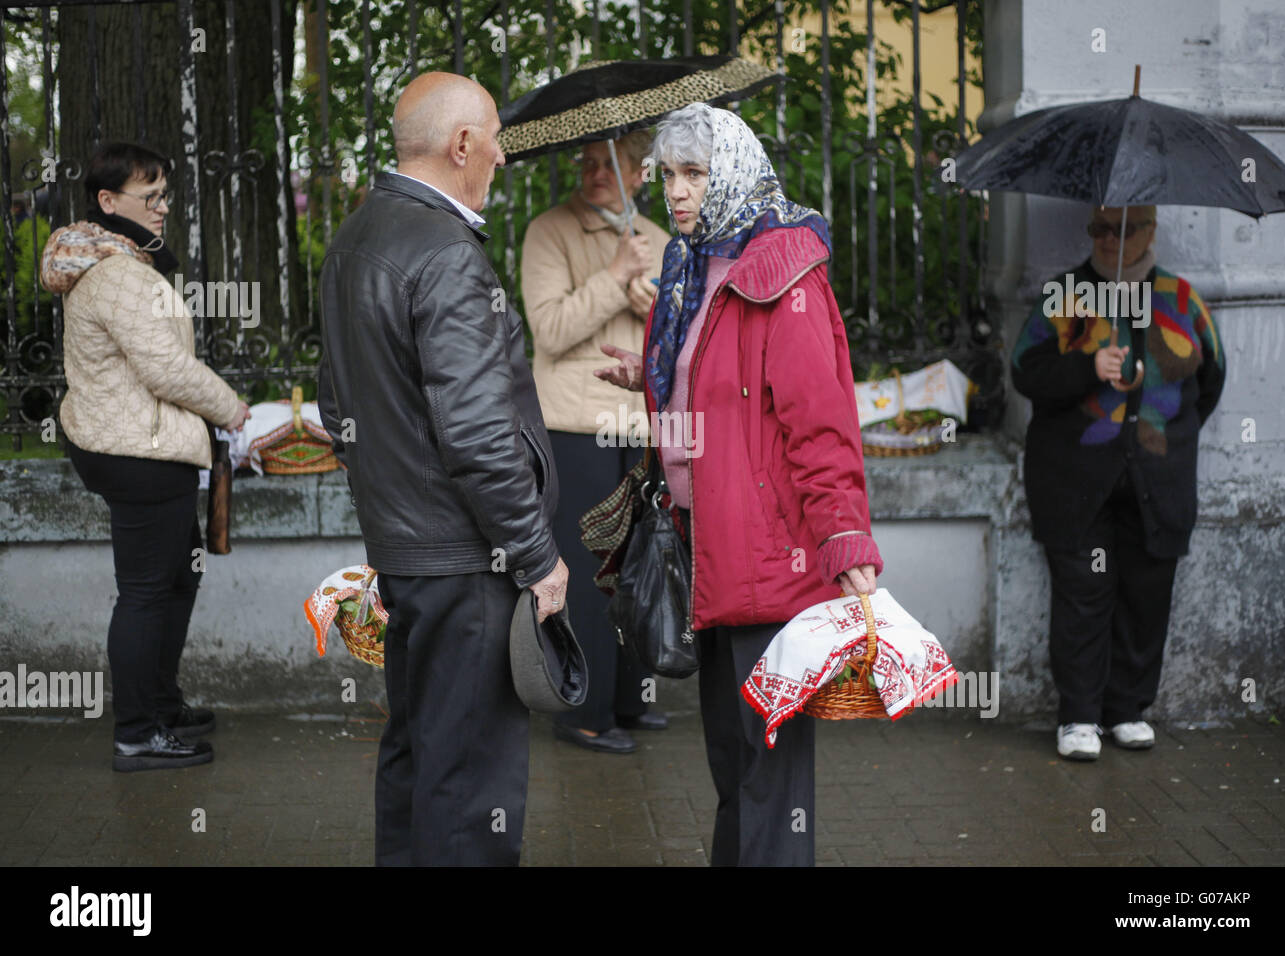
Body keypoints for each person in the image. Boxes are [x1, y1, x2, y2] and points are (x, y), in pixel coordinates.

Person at [596, 103, 884, 866]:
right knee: (733, 765)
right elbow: (718, 392)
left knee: (769, 778)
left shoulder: (782, 269)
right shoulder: (694, 263)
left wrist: (843, 534)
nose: (677, 193)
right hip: (711, 555)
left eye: (694, 173)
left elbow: (818, 421)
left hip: (774, 563)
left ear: (733, 172)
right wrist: (650, 381)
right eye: (667, 175)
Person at [316, 72, 568, 866]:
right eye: (494, 136)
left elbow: (336, 409)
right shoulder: (448, 254)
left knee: (418, 755)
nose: (500, 154)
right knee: (470, 786)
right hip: (467, 563)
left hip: (406, 554)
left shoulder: (357, 235)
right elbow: (479, 437)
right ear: (462, 144)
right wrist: (537, 556)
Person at [40, 141, 251, 772]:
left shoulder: (118, 261)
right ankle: (137, 733)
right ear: (108, 202)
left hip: (137, 443)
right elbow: (165, 369)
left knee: (176, 579)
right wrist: (231, 407)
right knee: (145, 592)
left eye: (165, 194)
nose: (163, 208)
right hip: (137, 452)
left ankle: (160, 704)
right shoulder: (120, 272)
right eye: (149, 196)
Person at [1011, 204, 1225, 761]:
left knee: (1146, 591)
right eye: (1100, 229)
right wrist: (1089, 368)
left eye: (1123, 228)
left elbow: (1211, 380)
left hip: (1158, 476)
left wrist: (1169, 436)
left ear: (1150, 231)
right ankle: (1079, 715)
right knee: (1083, 593)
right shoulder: (1064, 296)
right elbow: (1025, 372)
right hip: (1075, 478)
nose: (1110, 239)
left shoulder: (1181, 299)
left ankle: (1126, 709)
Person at [520, 133, 672, 754]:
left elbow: (681, 338)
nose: (592, 173)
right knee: (586, 572)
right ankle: (582, 708)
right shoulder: (549, 232)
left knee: (638, 566)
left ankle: (629, 700)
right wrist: (614, 278)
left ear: (636, 175)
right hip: (572, 426)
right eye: (584, 163)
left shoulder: (660, 241)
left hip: (639, 426)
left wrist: (648, 295)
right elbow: (549, 329)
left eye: (607, 165)